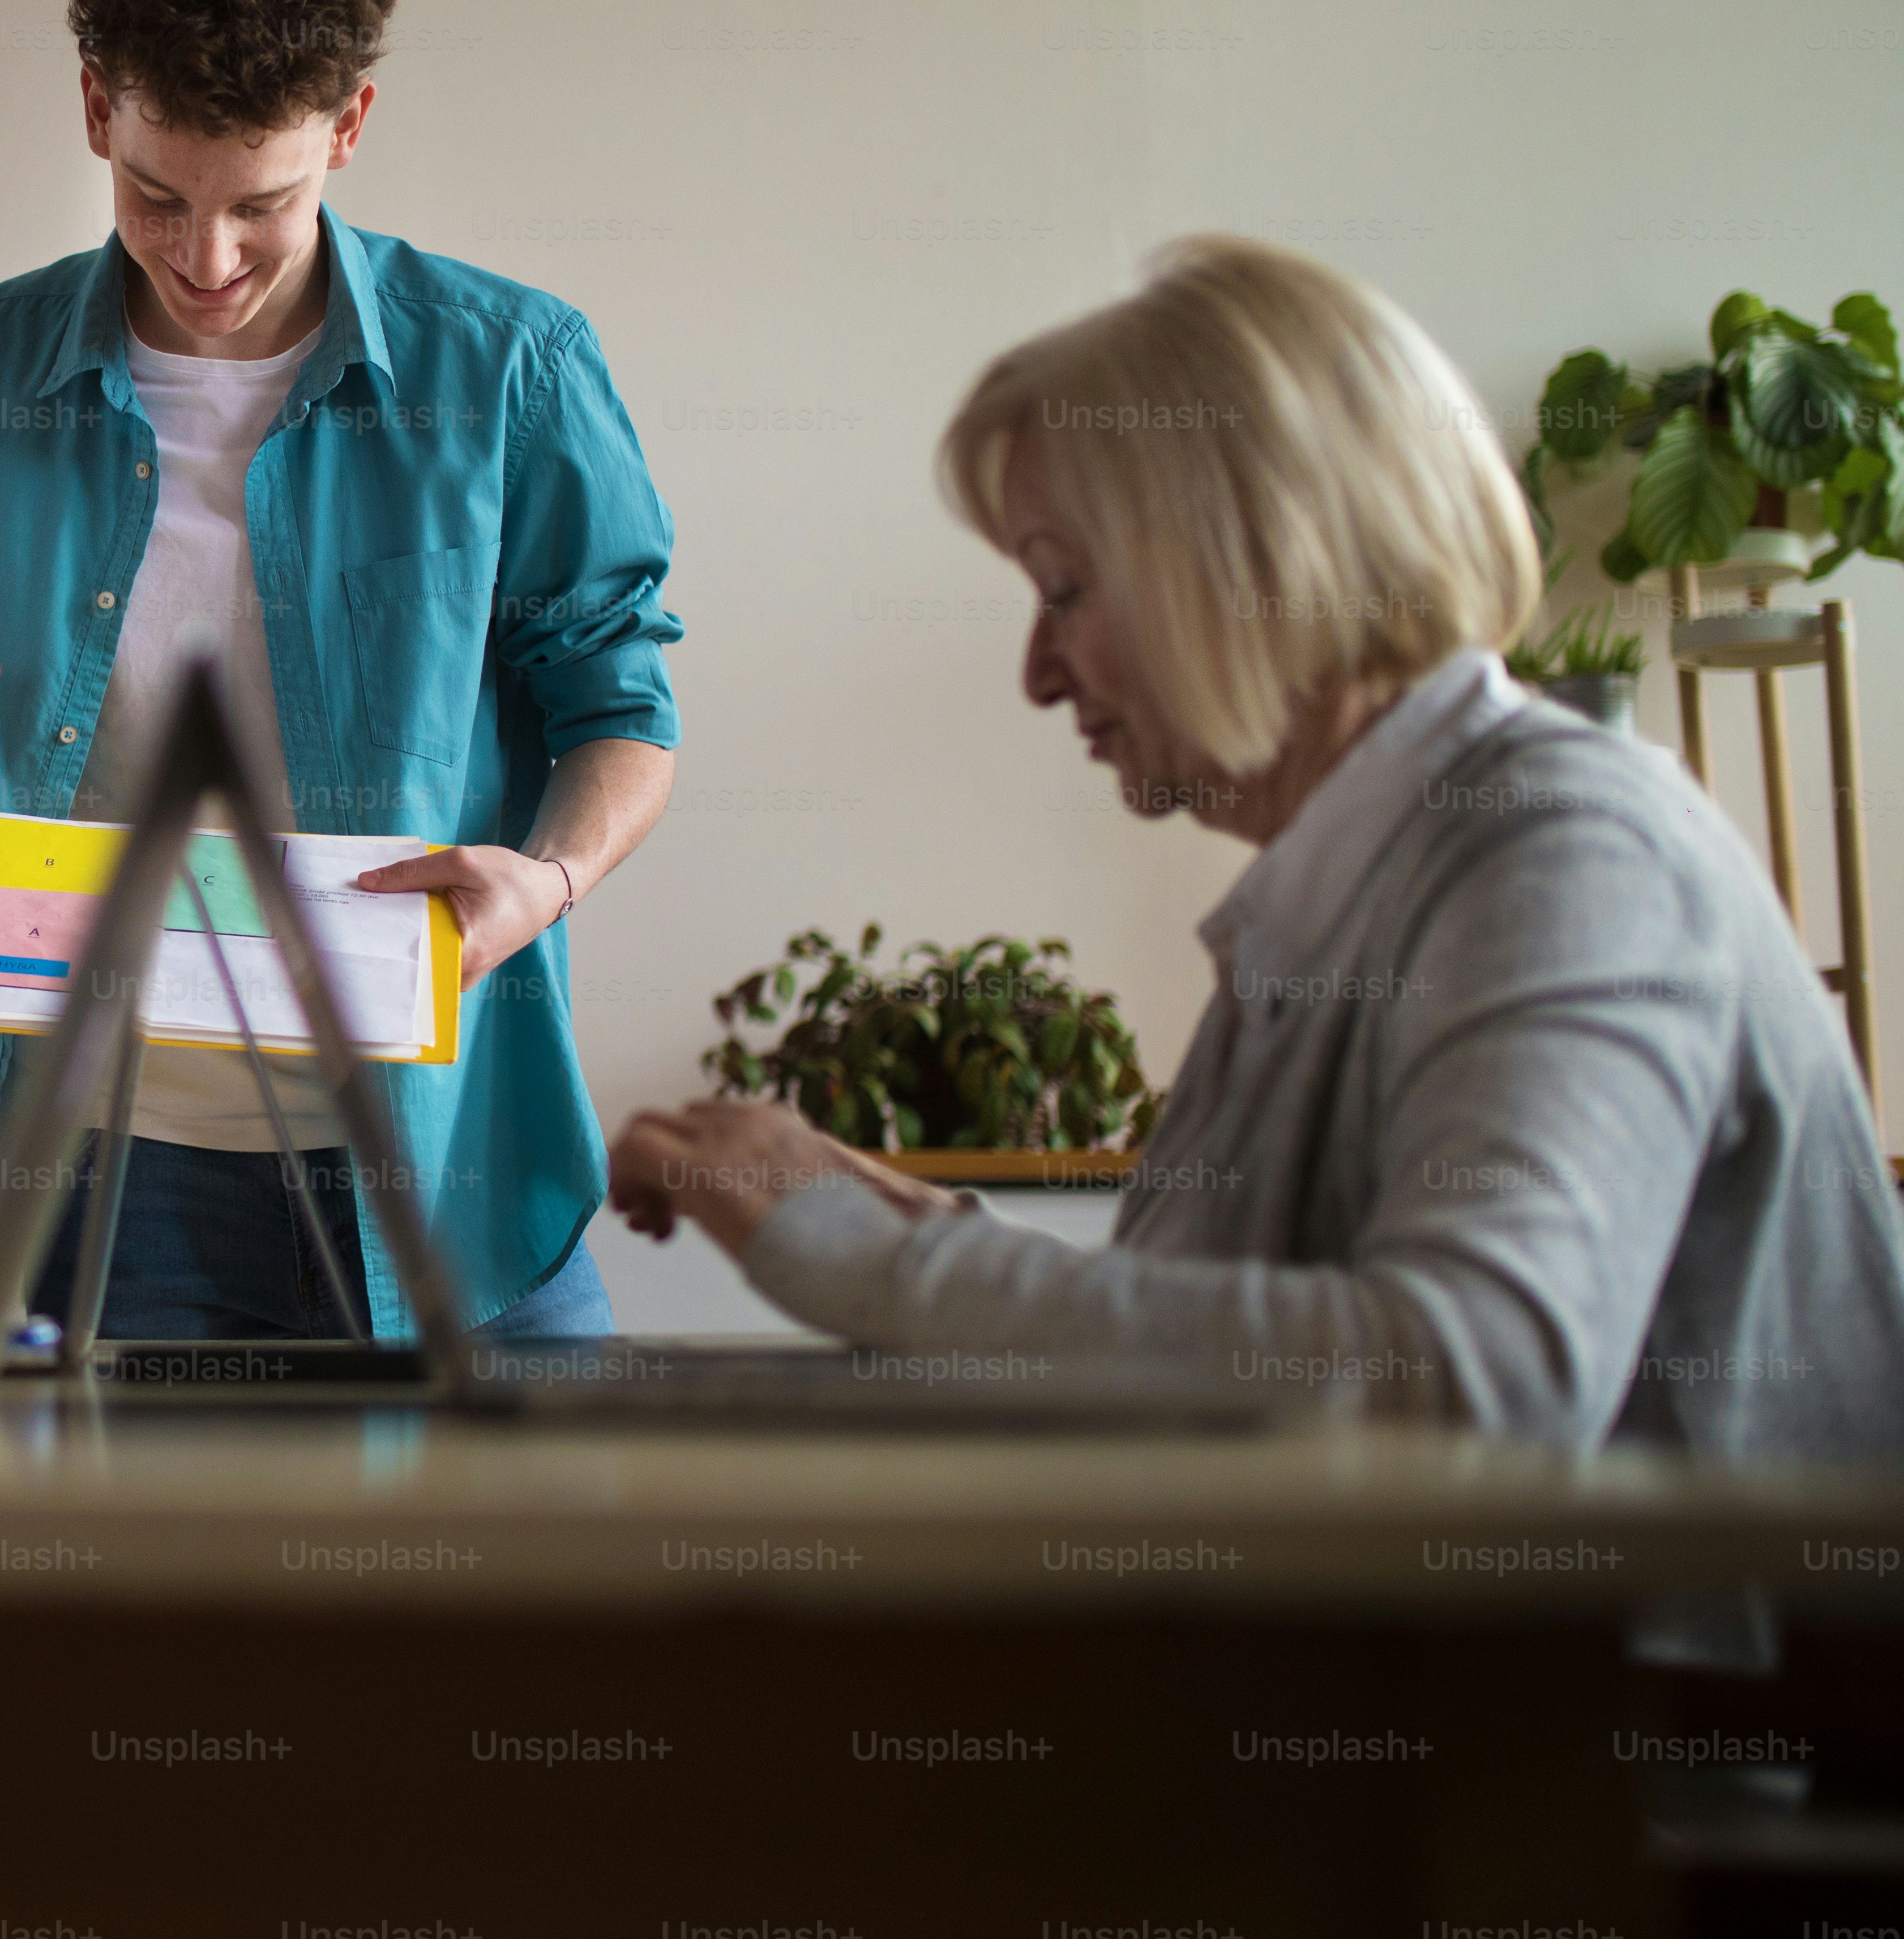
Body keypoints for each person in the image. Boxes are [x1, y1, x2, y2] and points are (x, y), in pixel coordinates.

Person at [608, 237, 1904, 1457]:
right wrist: (884, 1209)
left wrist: (881, 1262)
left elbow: (1476, 1378)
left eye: (1064, 588)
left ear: (1252, 559)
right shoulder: (1349, 889)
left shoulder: (1565, 846)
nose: (1037, 672)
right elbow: (1209, 1337)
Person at [0, 0, 682, 1342]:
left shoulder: (510, 368)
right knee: (155, 1579)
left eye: (265, 204)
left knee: (518, 1576)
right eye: (154, 196)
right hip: (105, 1171)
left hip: (450, 1159)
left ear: (351, 128)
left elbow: (622, 707)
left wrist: (549, 882)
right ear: (94, 111)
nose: (207, 260)